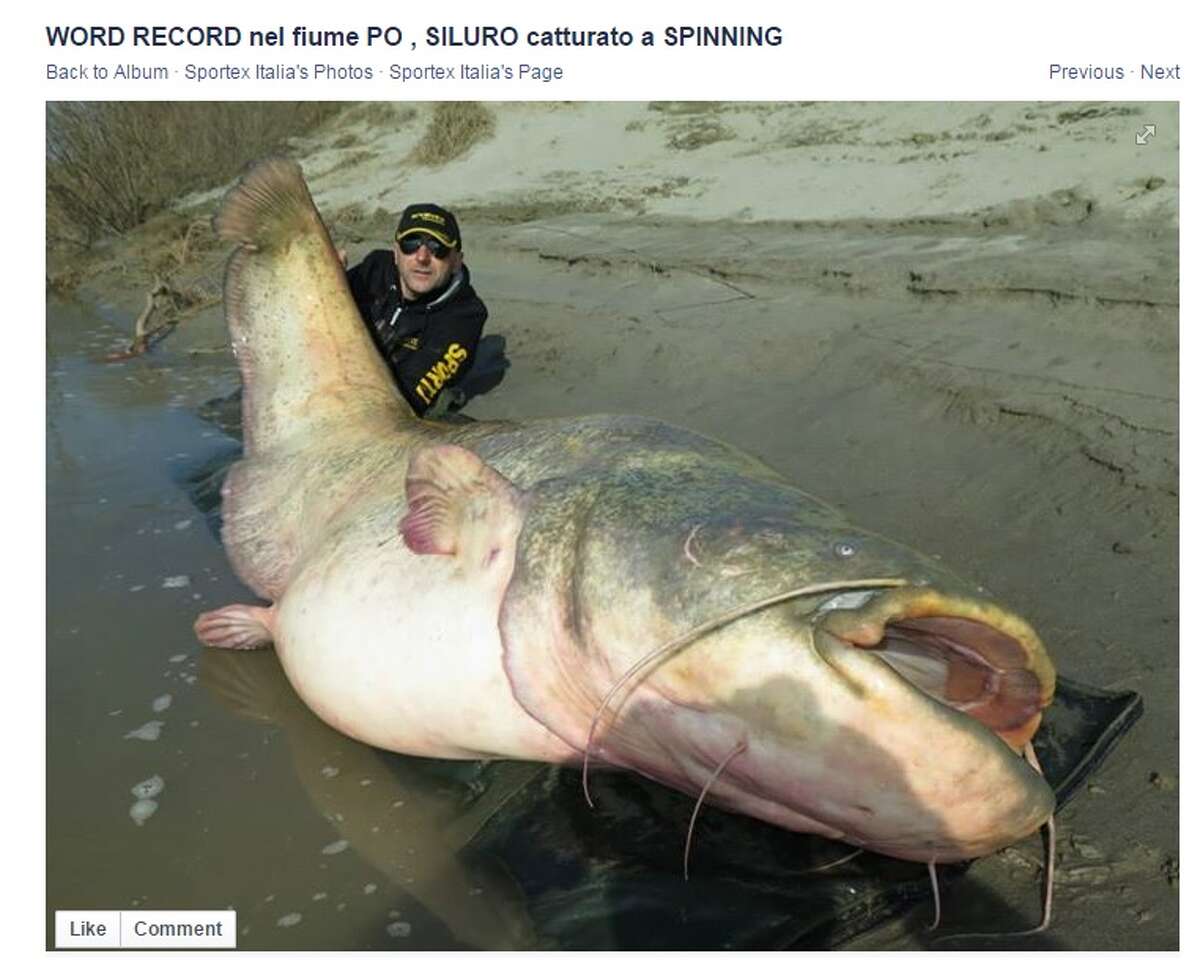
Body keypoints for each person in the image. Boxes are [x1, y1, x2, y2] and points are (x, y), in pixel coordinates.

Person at [344, 203, 488, 417]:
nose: (422, 257)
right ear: (396, 253)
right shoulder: (374, 268)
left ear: (457, 261)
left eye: (437, 247)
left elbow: (409, 398)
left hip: (381, 401)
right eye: (410, 243)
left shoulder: (465, 317)